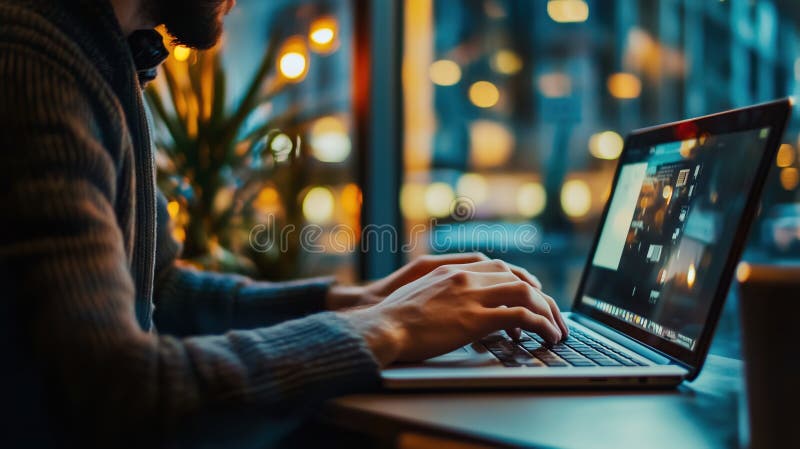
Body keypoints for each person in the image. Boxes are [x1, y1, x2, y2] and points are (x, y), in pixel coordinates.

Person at [0, 0, 567, 447]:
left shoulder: (101, 53)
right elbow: (121, 396)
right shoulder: (32, 61)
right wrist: (384, 327)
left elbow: (164, 292)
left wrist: (357, 300)